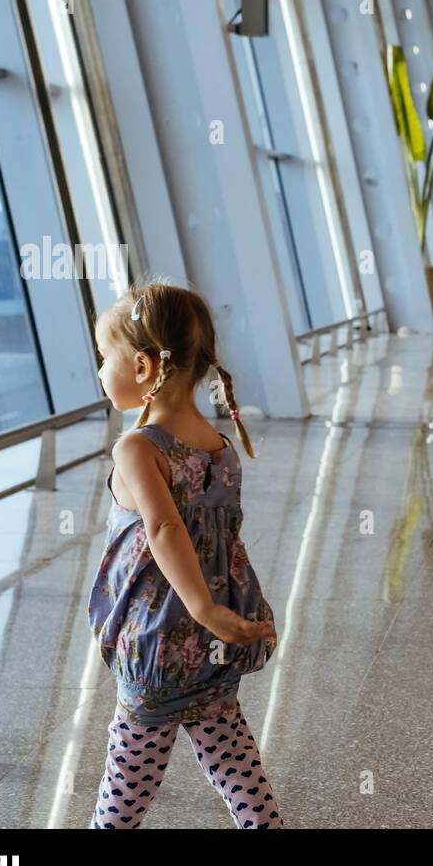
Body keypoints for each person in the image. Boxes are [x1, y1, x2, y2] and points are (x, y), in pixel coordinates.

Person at [88, 281, 281, 829]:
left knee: (128, 777)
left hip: (161, 641)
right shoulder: (217, 445)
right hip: (217, 639)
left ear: (144, 366)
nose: (102, 371)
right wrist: (217, 614)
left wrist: (199, 607)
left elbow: (165, 527)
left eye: (107, 358)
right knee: (233, 759)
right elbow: (220, 537)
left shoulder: (137, 448)